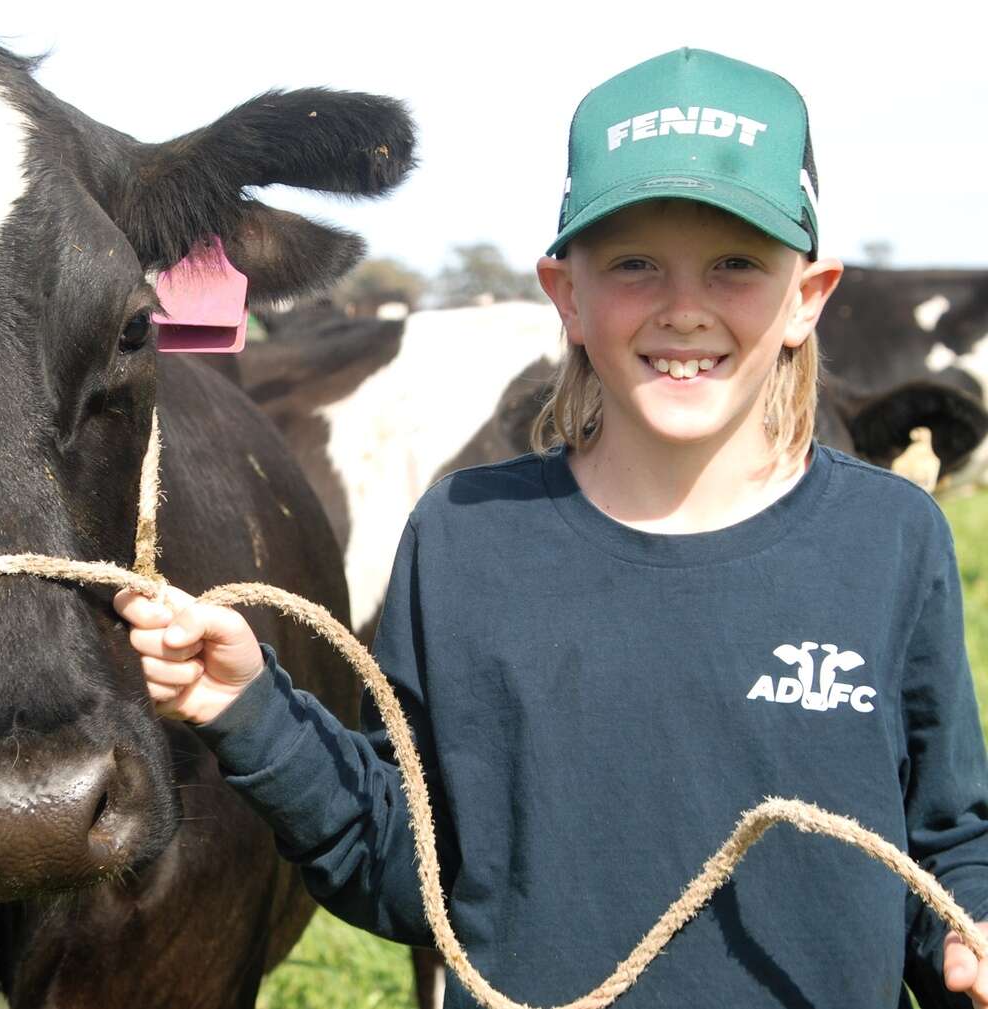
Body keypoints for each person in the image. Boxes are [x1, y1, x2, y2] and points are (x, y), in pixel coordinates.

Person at [115, 49, 988, 1007]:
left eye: (736, 263)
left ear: (807, 297)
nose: (685, 307)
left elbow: (947, 846)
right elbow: (398, 854)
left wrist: (966, 941)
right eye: (634, 264)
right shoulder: (465, 540)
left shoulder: (890, 538)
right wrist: (251, 709)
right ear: (567, 292)